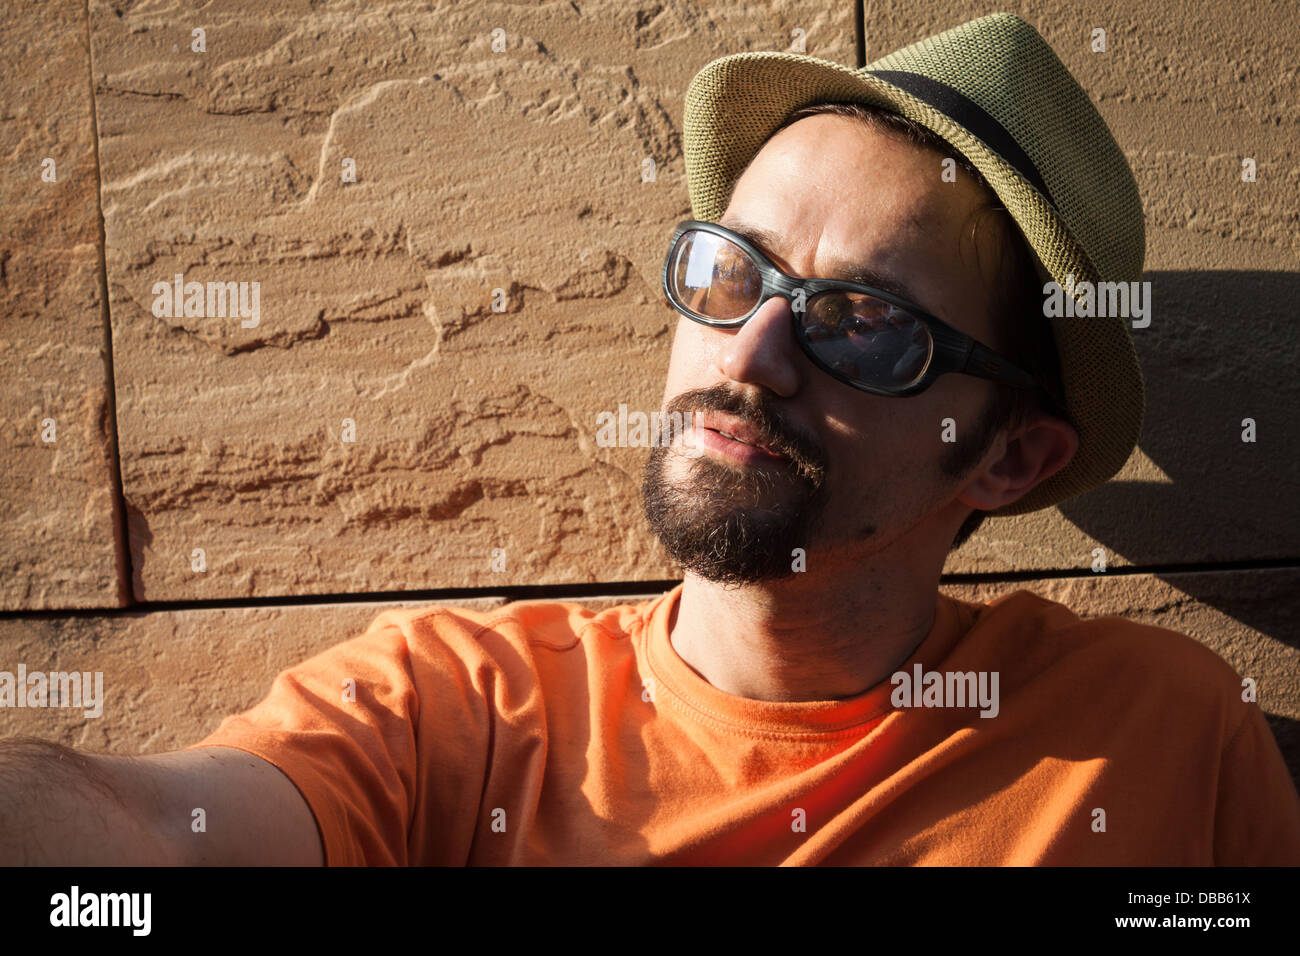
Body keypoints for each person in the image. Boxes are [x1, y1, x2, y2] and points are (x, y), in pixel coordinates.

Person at [3, 12, 1298, 866]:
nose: (750, 356)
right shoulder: (460, 715)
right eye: (729, 271)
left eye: (858, 324)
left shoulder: (1156, 741)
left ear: (1010, 455)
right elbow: (153, 840)